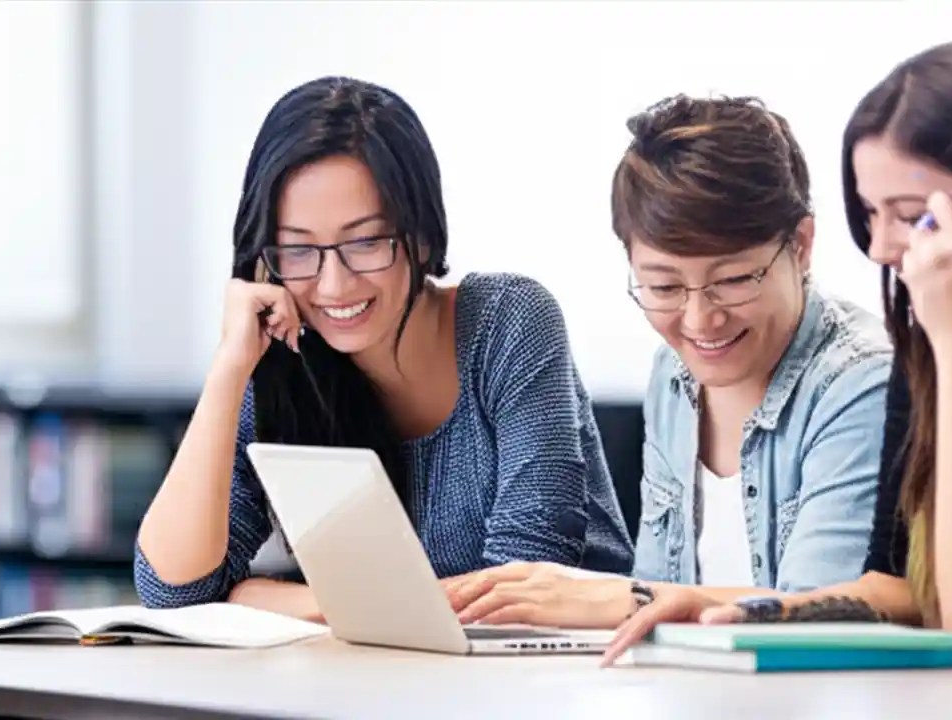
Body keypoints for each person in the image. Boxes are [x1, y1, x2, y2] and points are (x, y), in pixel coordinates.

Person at [603, 39, 952, 676]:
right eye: (871, 213)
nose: (880, 247)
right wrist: (743, 611)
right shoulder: (929, 340)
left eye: (910, 216)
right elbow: (895, 584)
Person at [134, 76, 634, 620]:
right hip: (383, 664)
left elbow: (521, 583)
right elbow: (173, 591)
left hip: (564, 659)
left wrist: (262, 596)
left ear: (421, 233)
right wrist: (229, 368)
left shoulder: (508, 321)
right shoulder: (284, 357)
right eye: (298, 250)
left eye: (366, 242)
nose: (333, 286)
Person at [445, 94, 892, 629]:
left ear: (801, 244)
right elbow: (659, 589)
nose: (700, 320)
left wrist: (624, 599)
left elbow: (817, 611)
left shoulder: (860, 382)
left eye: (733, 280)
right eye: (664, 287)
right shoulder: (674, 374)